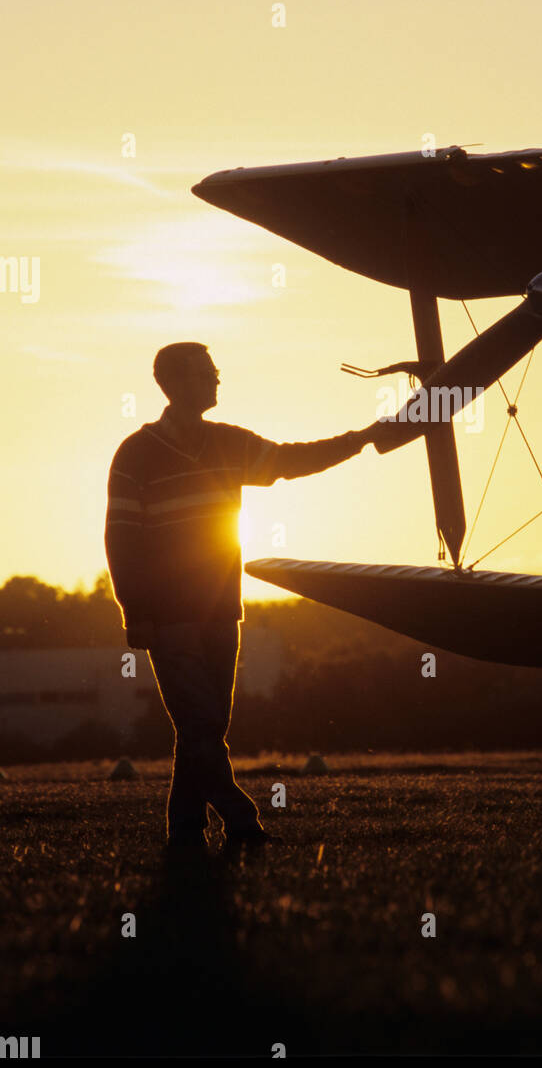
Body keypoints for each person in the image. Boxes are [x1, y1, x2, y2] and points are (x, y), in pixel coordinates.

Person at [104, 342, 372, 851]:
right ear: (177, 383)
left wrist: (357, 440)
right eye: (208, 373)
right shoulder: (135, 455)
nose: (218, 380)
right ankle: (242, 819)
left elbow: (292, 461)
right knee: (202, 722)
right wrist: (134, 611)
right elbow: (120, 539)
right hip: (167, 617)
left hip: (222, 611)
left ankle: (185, 832)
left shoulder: (229, 443)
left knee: (202, 727)